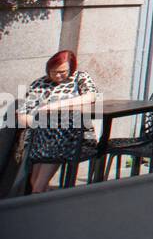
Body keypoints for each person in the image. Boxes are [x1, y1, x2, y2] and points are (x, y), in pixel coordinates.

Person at [19, 51, 100, 193]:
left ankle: (40, 189)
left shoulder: (80, 78)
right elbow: (22, 115)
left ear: (72, 68)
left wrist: (54, 106)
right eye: (53, 72)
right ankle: (41, 191)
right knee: (35, 180)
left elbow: (91, 97)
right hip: (39, 136)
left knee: (59, 129)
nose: (57, 75)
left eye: (62, 72)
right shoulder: (40, 84)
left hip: (75, 135)